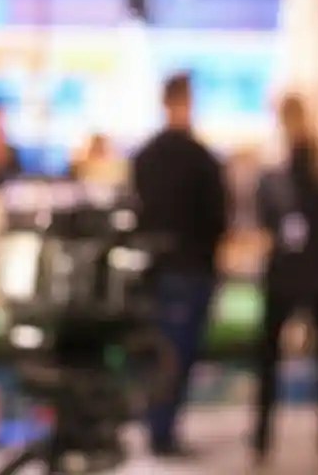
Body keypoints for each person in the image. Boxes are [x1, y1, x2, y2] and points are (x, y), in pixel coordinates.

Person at [132, 73, 229, 458]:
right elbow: (217, 219)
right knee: (180, 353)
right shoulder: (201, 159)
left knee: (158, 353)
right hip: (191, 270)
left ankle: (156, 424)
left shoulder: (145, 157)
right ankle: (163, 430)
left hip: (156, 271)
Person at [252, 94, 318, 469]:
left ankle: (262, 441)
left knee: (269, 361)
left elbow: (267, 224)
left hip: (286, 277)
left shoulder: (276, 174)